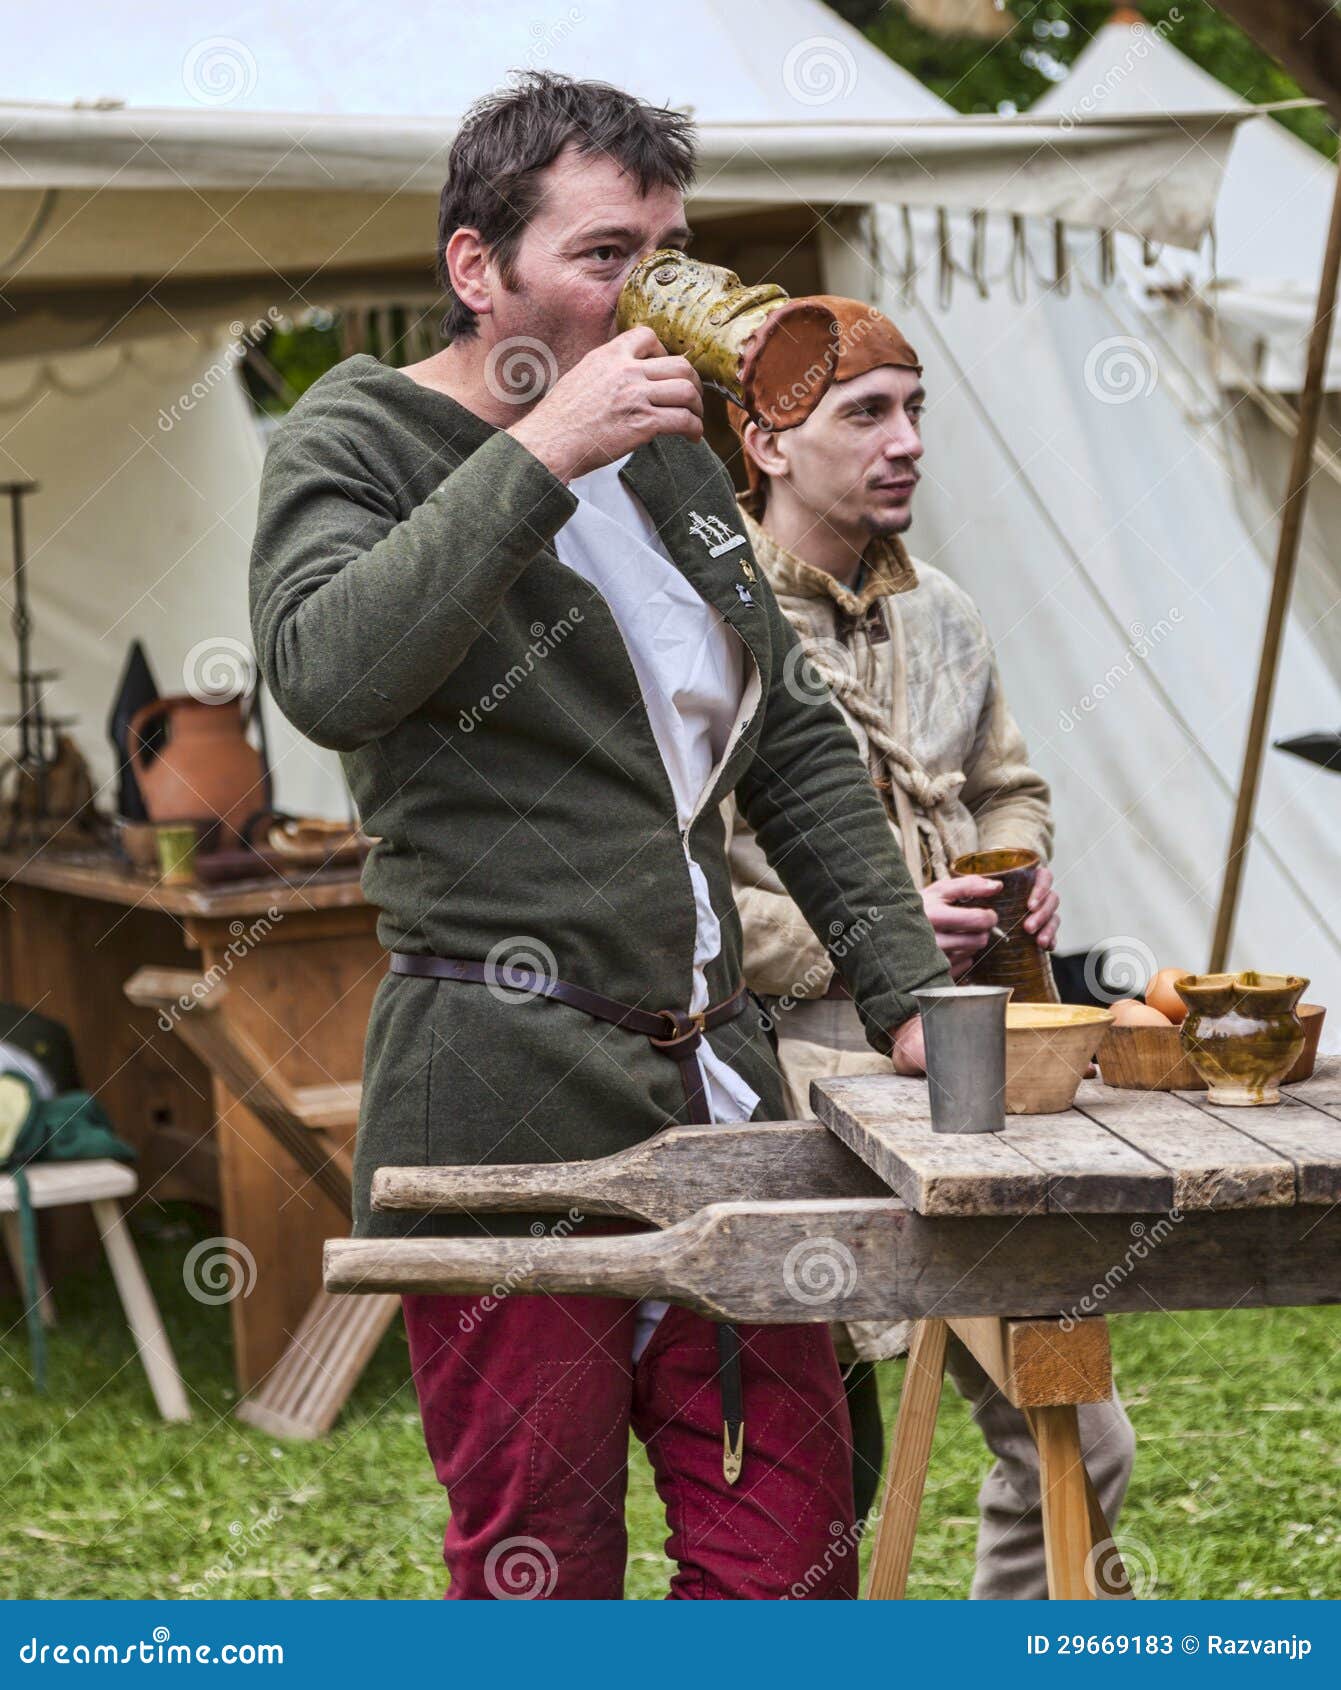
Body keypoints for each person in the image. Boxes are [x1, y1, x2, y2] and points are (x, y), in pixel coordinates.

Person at [249, 73, 953, 1601]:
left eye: (669, 250)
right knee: (541, 1575)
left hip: (721, 1092)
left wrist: (906, 992)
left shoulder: (676, 452)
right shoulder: (356, 434)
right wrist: (537, 452)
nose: (652, 290)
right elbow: (327, 676)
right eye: (605, 255)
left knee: (788, 1562)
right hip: (502, 1094)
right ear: (475, 265)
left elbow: (788, 737)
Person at [723, 296, 1136, 1599]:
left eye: (913, 411)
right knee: (820, 1478)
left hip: (968, 1076)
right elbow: (686, 892)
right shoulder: (710, 626)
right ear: (765, 442)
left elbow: (1007, 785)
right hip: (793, 1082)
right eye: (864, 413)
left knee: (1079, 1435)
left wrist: (1012, 870)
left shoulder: (944, 611)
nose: (905, 441)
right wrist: (872, 943)